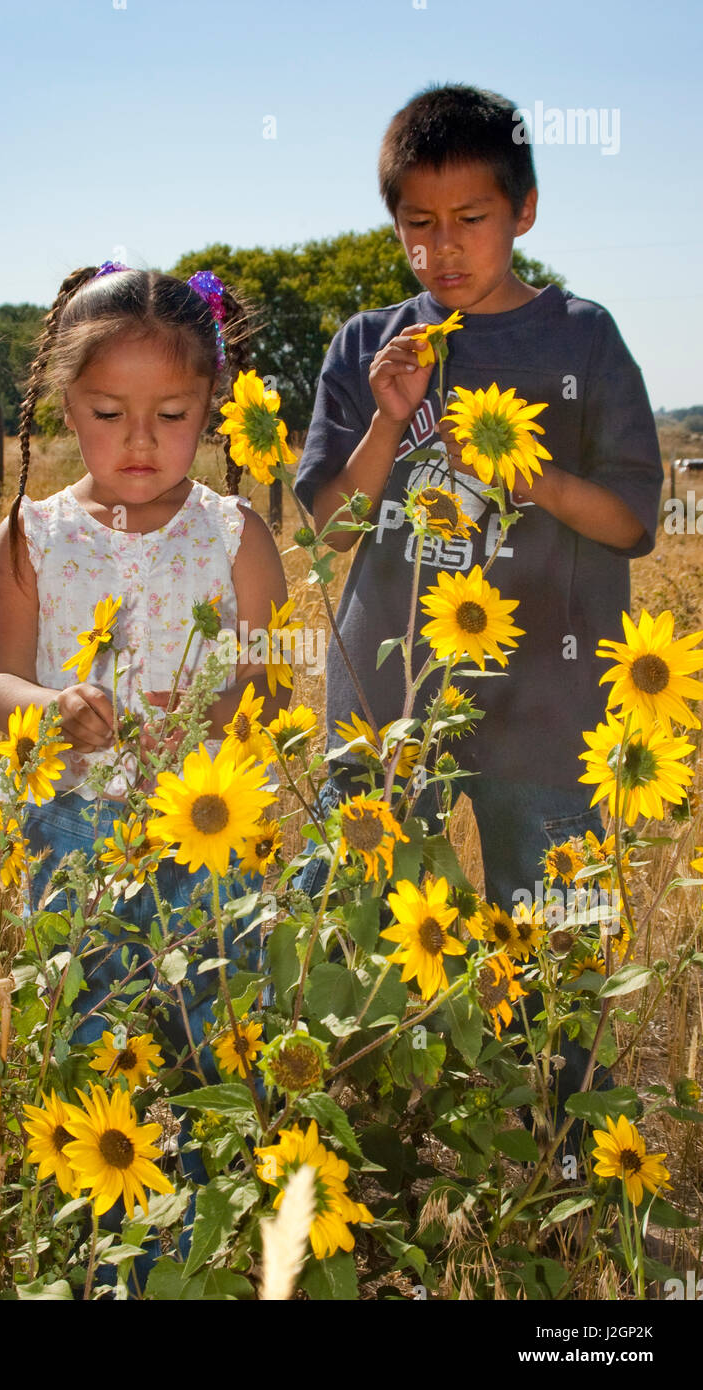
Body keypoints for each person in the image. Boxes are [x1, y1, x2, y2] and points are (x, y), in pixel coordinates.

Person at [293, 84, 664, 1137]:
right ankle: (370, 1147)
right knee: (355, 938)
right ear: (395, 227)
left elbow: (634, 519)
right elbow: (323, 529)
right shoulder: (371, 348)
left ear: (526, 211)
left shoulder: (584, 341)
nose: (444, 248)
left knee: (555, 964)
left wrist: (532, 474)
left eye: (471, 220)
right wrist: (387, 423)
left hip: (548, 718)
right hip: (385, 708)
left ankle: (562, 1159)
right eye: (419, 225)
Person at [0, 263, 288, 1283]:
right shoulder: (30, 539)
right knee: (95, 1040)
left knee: (213, 1040)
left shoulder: (239, 535)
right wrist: (51, 710)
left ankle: (208, 1240)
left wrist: (224, 711)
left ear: (214, 409)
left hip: (211, 838)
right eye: (110, 413)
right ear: (67, 402)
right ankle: (109, 1248)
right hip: (73, 835)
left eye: (175, 414)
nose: (143, 442)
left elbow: (279, 680)